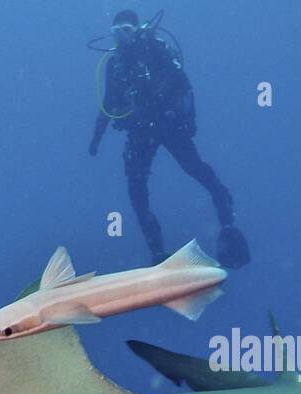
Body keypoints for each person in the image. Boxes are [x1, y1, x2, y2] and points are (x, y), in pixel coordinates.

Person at [89, 10, 250, 268]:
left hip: (169, 123)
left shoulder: (154, 50)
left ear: (138, 29)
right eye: (116, 32)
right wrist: (96, 137)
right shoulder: (115, 64)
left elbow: (183, 85)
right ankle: (157, 253)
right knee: (136, 190)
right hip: (139, 130)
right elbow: (108, 101)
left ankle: (227, 222)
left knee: (196, 169)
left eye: (126, 30)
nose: (121, 37)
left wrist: (190, 120)